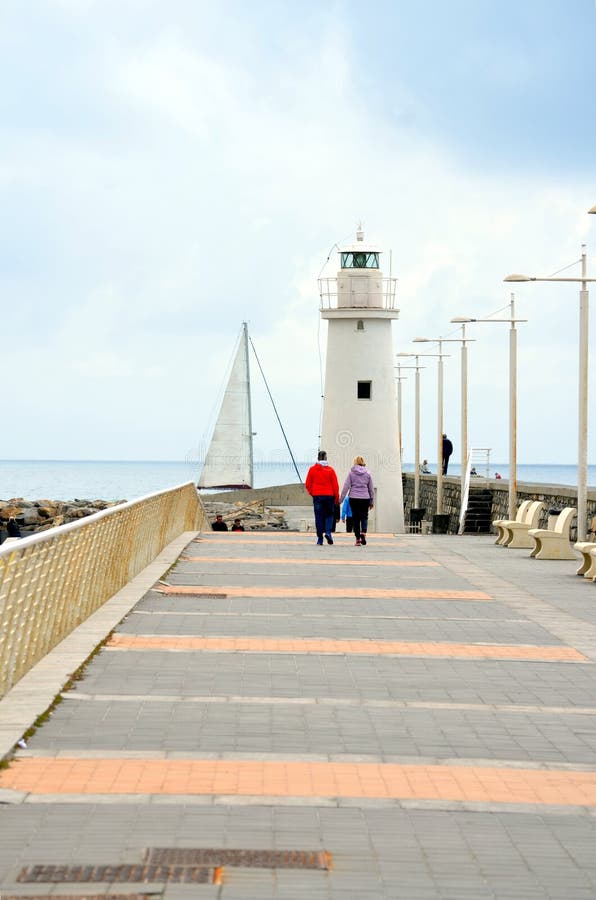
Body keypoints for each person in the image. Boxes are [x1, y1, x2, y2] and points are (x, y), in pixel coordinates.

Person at [305, 450, 339, 545]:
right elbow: (335, 486)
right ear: (326, 458)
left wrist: (313, 493)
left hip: (317, 496)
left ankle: (320, 538)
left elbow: (308, 484)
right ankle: (328, 532)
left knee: (319, 516)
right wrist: (336, 497)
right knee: (329, 515)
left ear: (318, 458)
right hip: (329, 496)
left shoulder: (312, 469)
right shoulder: (331, 470)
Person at [340, 455, 374, 546]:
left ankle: (358, 540)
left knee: (356, 519)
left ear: (355, 462)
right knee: (364, 517)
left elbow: (346, 487)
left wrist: (341, 500)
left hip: (354, 498)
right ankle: (363, 533)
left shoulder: (351, 473)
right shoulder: (368, 474)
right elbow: (371, 489)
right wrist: (371, 501)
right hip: (365, 498)